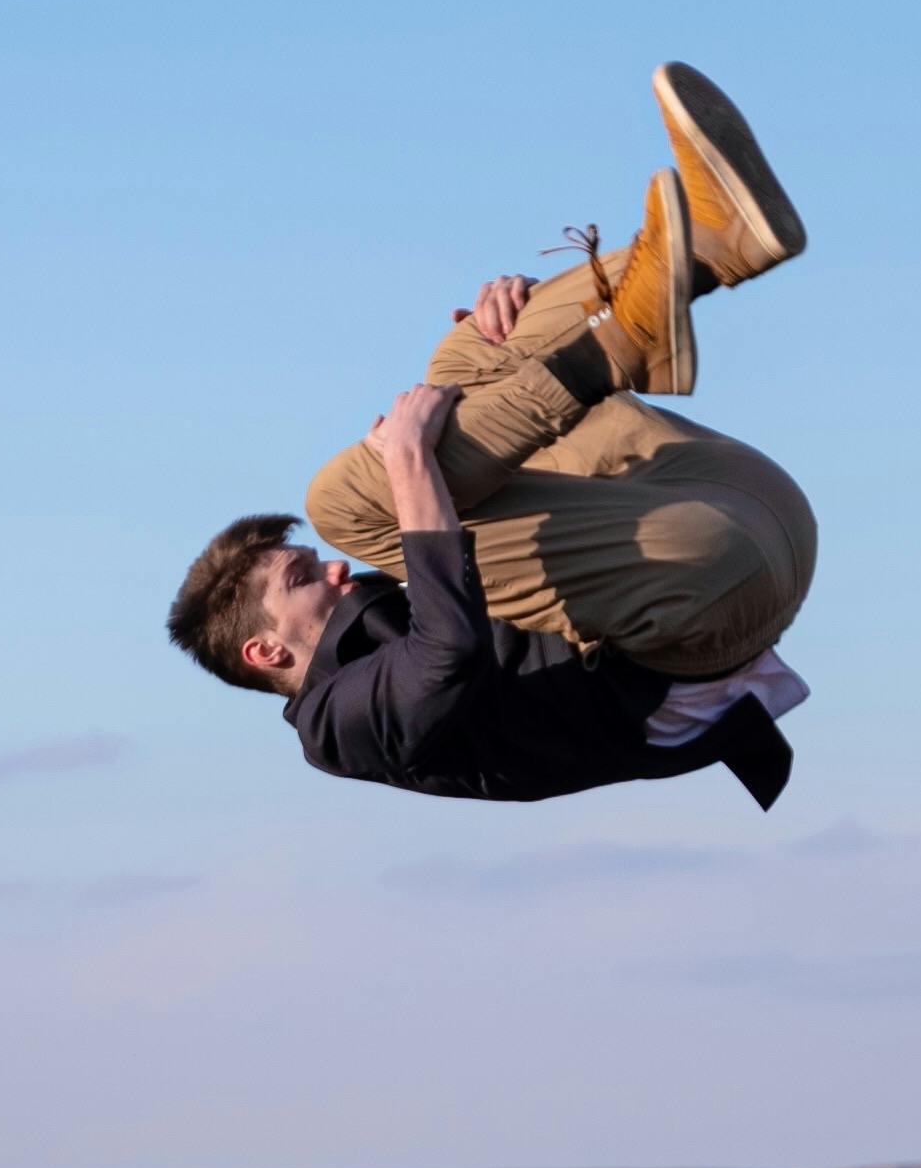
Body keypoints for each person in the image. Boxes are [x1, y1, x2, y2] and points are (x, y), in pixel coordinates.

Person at [164, 64, 818, 815]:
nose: (339, 572)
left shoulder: (383, 607)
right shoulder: (340, 727)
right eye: (303, 580)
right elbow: (450, 650)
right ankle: (623, 341)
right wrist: (410, 466)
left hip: (737, 507)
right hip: (699, 611)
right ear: (267, 652)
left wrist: (492, 370)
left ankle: (719, 246)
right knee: (344, 500)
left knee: (464, 359)